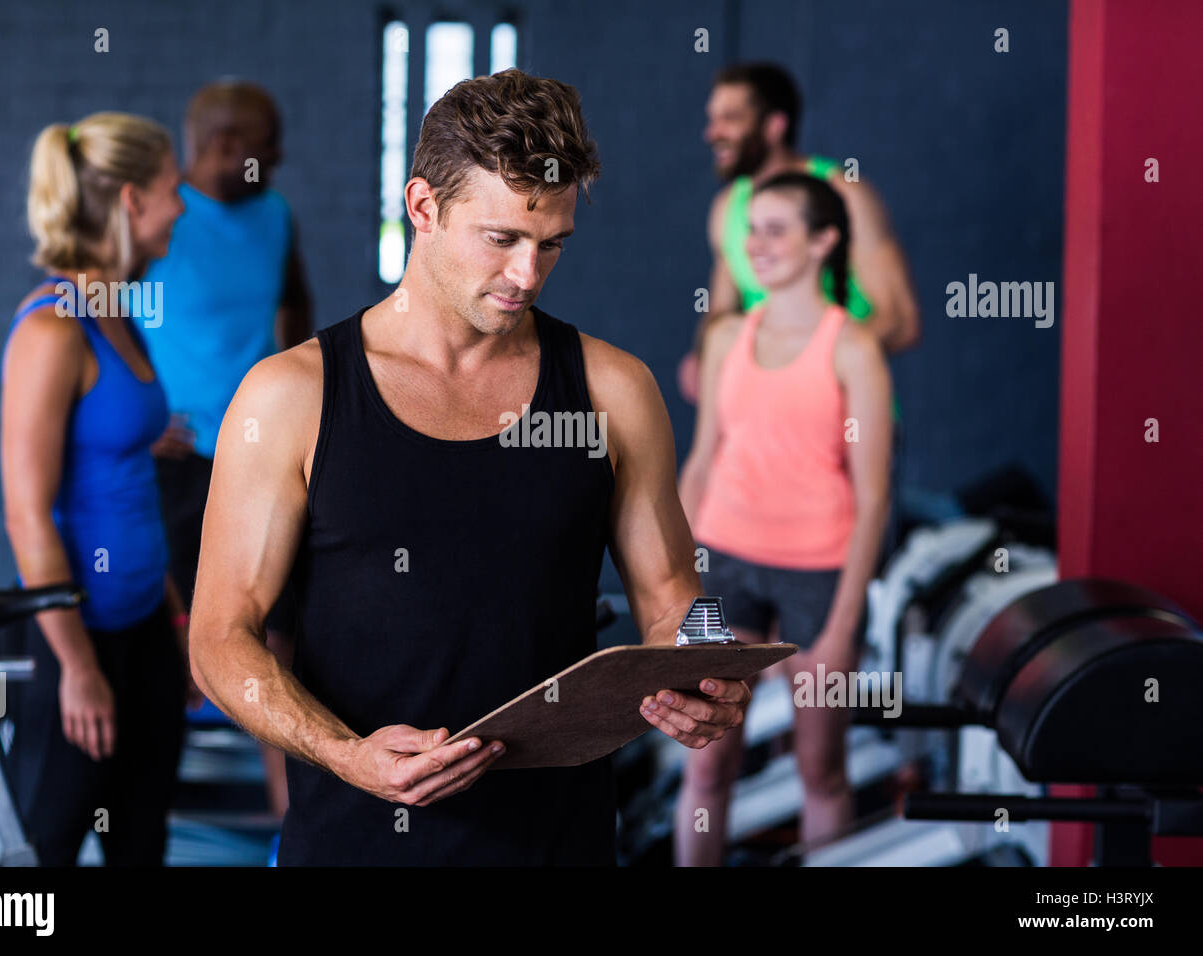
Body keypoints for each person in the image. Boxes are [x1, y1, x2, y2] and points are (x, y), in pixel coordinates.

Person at [188, 69, 751, 866]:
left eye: (551, 243)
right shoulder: (289, 396)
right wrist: (346, 754)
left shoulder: (613, 390)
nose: (528, 274)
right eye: (502, 239)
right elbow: (219, 637)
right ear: (424, 207)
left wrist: (705, 663)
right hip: (354, 845)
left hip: (559, 845)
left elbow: (674, 598)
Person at [674, 172, 893, 866]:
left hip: (817, 572)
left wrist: (839, 627)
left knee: (818, 771)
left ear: (823, 241)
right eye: (751, 229)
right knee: (707, 765)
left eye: (776, 229)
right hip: (724, 558)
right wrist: (677, 592)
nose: (755, 244)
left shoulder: (853, 347)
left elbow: (873, 499)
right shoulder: (725, 337)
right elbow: (703, 460)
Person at [0, 112, 196, 865]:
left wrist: (175, 617)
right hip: (74, 642)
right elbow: (28, 513)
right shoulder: (52, 331)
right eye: (171, 189)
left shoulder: (117, 314)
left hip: (145, 622)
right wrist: (77, 670)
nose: (180, 206)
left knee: (140, 843)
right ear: (128, 201)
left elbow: (125, 468)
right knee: (44, 855)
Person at [137, 80, 311, 818]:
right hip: (176, 468)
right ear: (225, 148)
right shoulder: (159, 217)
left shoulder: (275, 213)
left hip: (260, 461)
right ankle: (141, 826)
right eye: (267, 142)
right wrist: (140, 415)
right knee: (182, 654)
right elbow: (90, 314)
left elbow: (296, 301)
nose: (279, 156)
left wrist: (300, 383)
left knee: (283, 647)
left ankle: (290, 826)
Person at [678, 62, 919, 402]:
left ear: (774, 126)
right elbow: (721, 310)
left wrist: (803, 367)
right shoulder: (726, 206)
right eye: (712, 118)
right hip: (763, 413)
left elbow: (901, 322)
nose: (712, 133)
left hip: (848, 417)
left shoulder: (845, 194)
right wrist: (702, 357)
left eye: (730, 118)